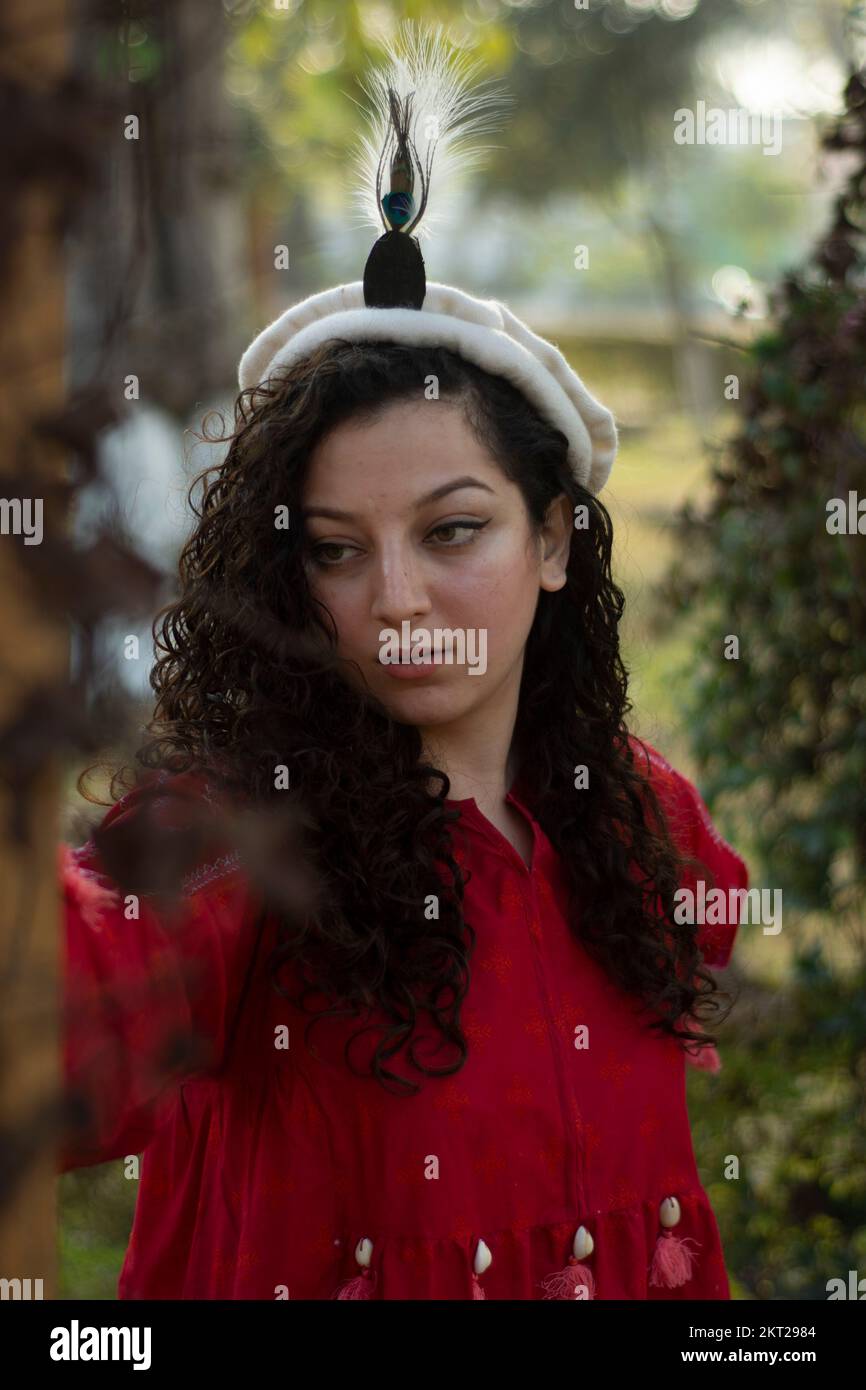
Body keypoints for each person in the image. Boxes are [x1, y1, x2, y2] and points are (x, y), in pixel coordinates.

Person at [58, 23, 749, 1301]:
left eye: (451, 531)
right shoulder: (231, 845)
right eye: (332, 550)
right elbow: (67, 1009)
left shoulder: (646, 821)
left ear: (550, 539)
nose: (393, 597)